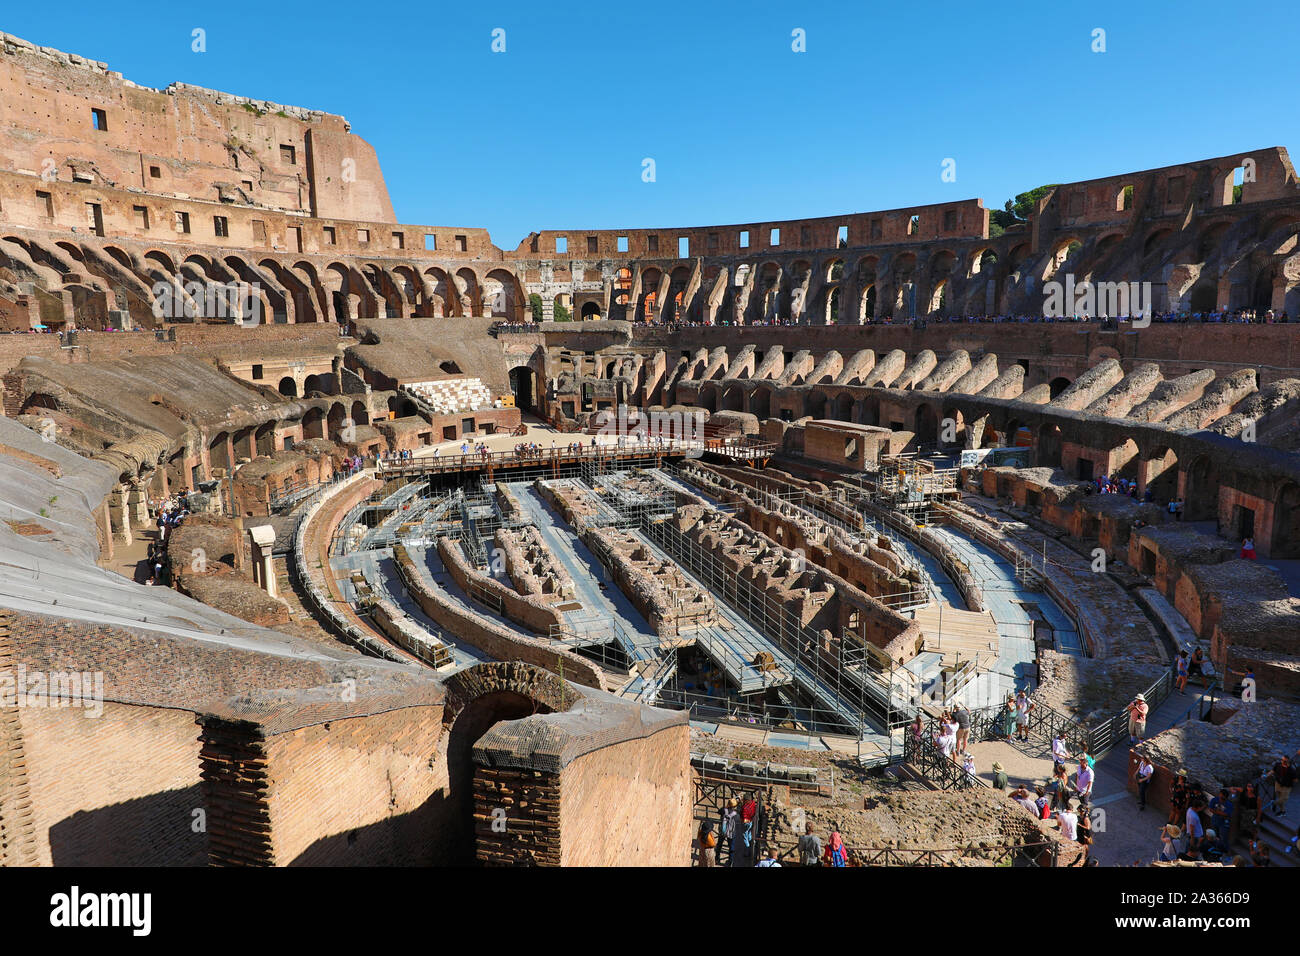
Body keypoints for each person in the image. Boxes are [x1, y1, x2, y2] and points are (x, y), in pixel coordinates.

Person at [718, 799, 738, 865]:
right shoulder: (736, 814)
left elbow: (719, 811)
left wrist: (726, 807)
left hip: (722, 831)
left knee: (719, 845)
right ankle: (730, 861)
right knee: (731, 847)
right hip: (731, 832)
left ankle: (717, 858)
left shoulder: (724, 810)